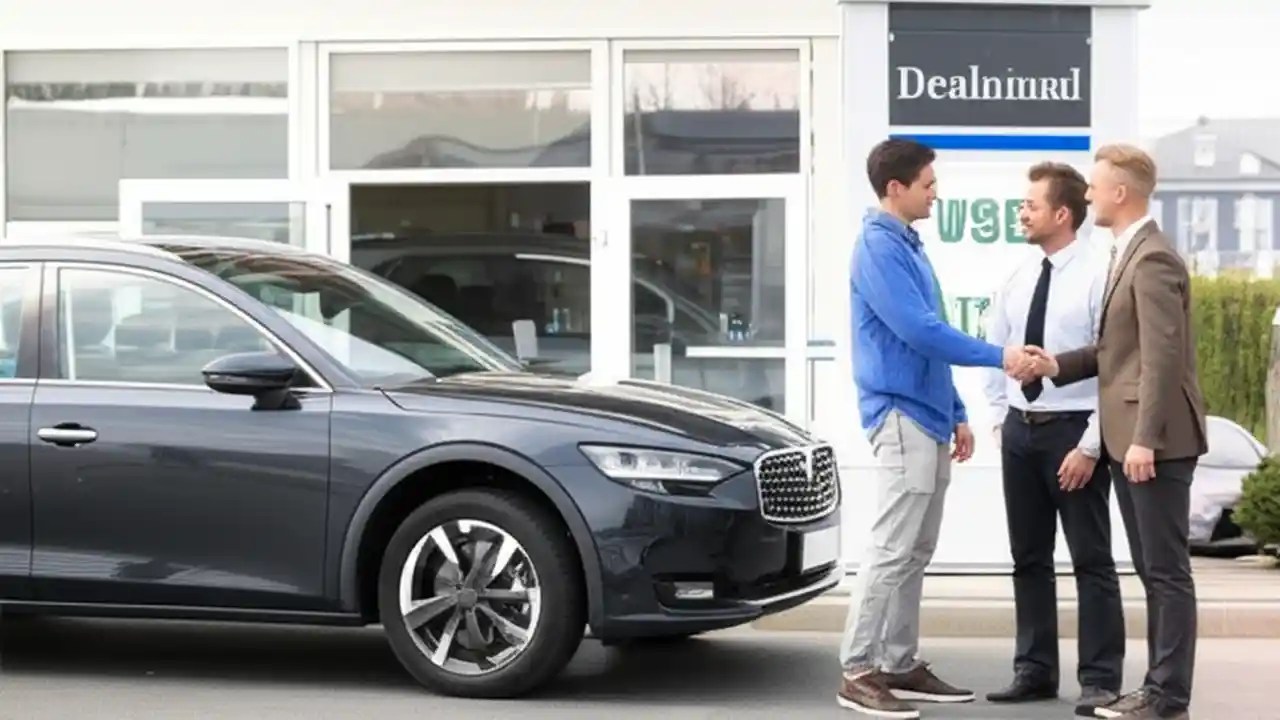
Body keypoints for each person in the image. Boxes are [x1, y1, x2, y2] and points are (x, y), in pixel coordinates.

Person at [838, 137, 1034, 719]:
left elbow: (930, 335)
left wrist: (955, 411)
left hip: (926, 414)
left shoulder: (909, 245)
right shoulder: (878, 246)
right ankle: (857, 669)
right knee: (891, 547)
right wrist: (1002, 357)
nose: (935, 192)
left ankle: (899, 662)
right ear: (894, 188)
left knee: (916, 549)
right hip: (898, 416)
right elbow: (919, 331)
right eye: (926, 183)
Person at [1022, 143, 1207, 720]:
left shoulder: (1152, 258)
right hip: (1135, 436)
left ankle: (1166, 696)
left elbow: (1163, 358)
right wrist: (1058, 366)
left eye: (1095, 187)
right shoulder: (1127, 251)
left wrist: (1145, 438)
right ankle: (1156, 689)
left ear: (1120, 193)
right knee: (1154, 570)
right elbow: (1115, 351)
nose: (1087, 196)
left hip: (1155, 441)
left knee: (1165, 573)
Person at [981, 162, 1125, 710]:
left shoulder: (1097, 275)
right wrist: (1001, 416)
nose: (1022, 212)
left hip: (1074, 434)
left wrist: (1091, 445)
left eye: (1030, 205)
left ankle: (1100, 679)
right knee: (1029, 559)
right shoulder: (1019, 276)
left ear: (1062, 214)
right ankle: (1034, 671)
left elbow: (1111, 367)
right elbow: (997, 347)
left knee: (1091, 559)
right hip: (1021, 433)